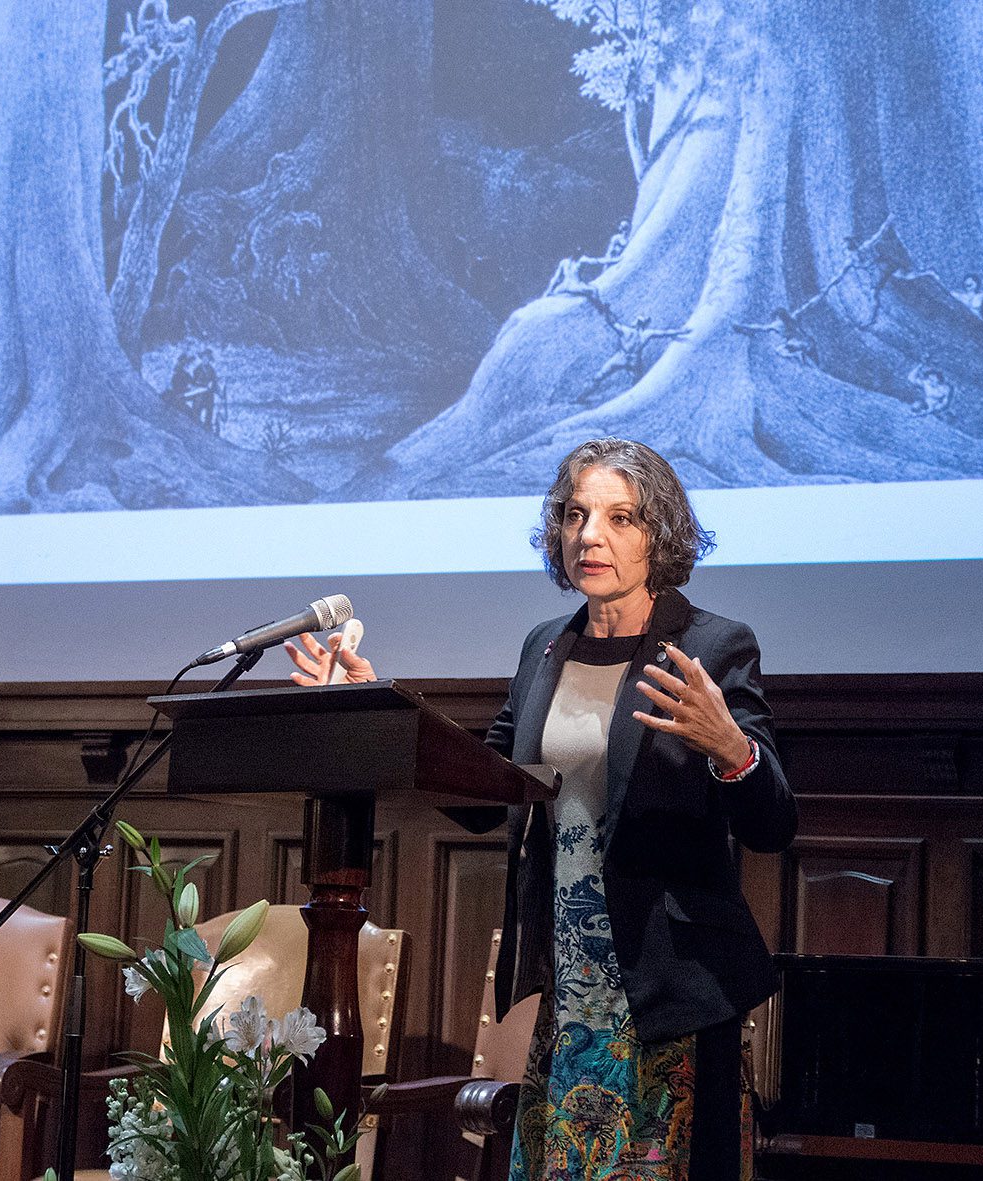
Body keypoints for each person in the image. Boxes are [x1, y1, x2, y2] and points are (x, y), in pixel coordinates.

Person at [287, 437, 797, 1180]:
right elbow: (485, 787)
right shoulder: (544, 649)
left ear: (661, 535)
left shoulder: (712, 645)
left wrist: (731, 748)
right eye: (576, 515)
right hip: (567, 984)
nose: (591, 535)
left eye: (621, 518)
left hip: (669, 990)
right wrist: (377, 707)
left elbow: (774, 823)